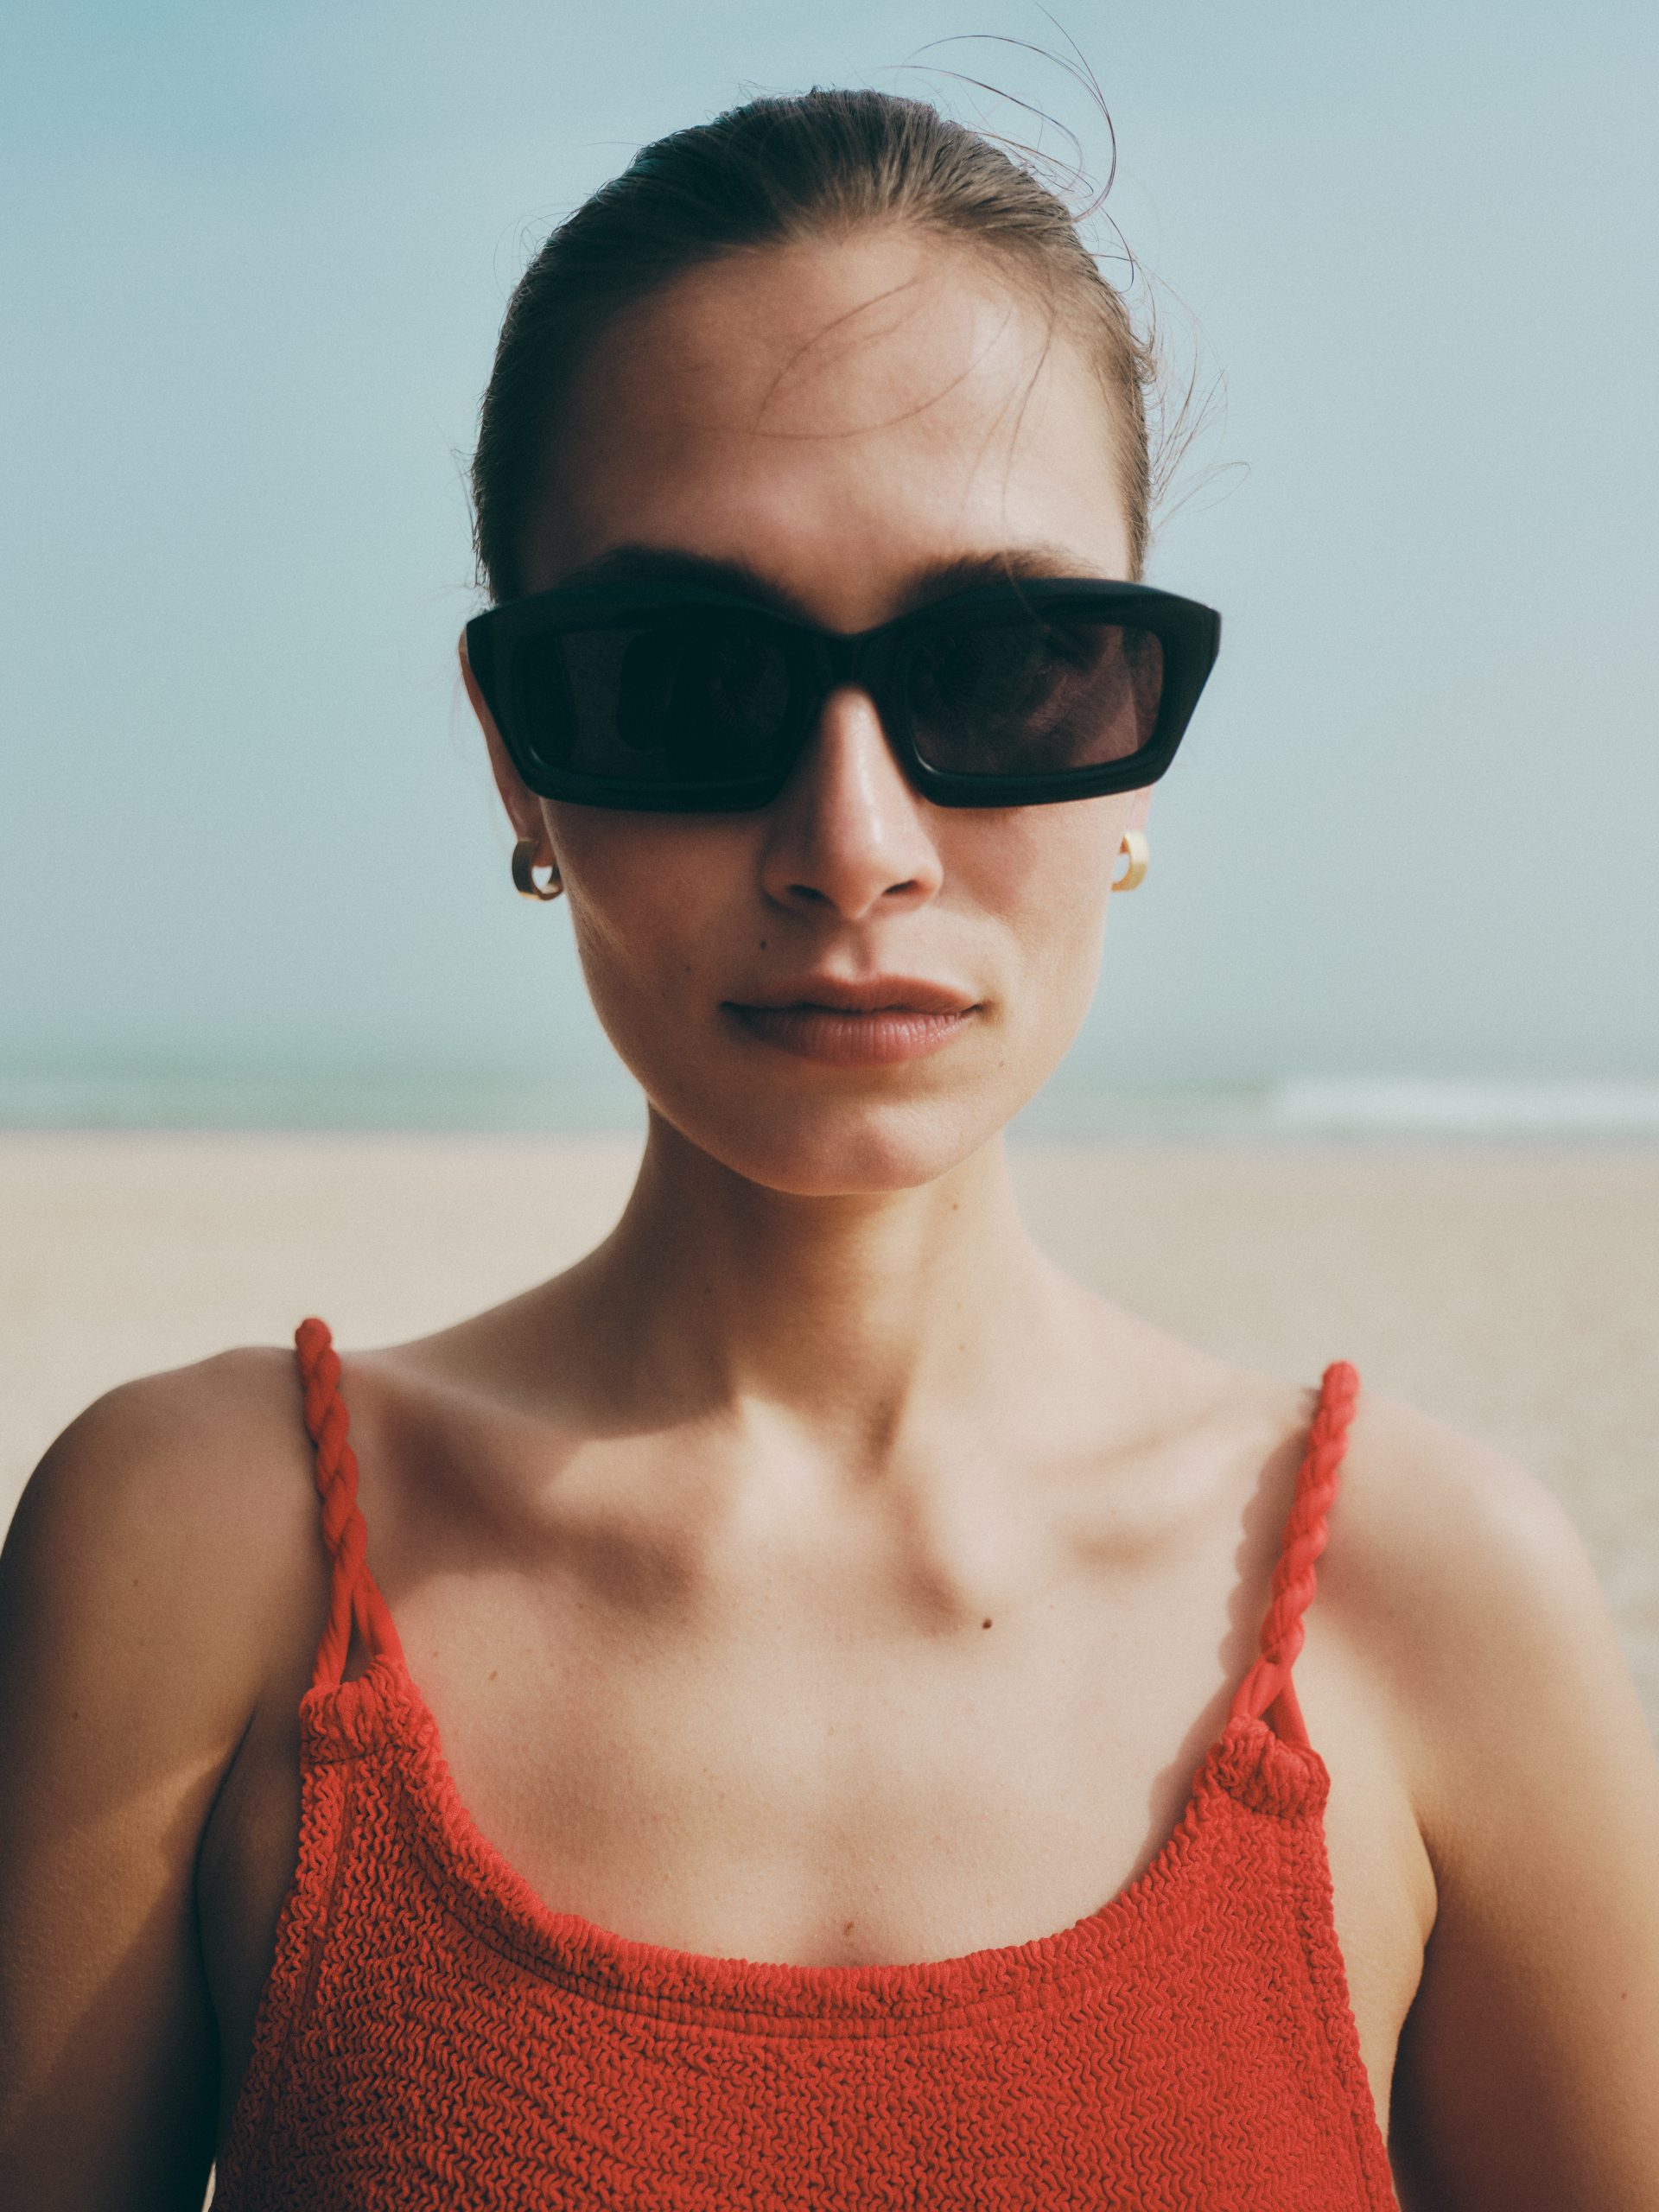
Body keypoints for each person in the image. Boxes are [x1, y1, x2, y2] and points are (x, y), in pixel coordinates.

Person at [2, 86, 1656, 2212]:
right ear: (516, 756)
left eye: (1011, 667)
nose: (853, 843)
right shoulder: (206, 1558)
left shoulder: (1436, 1606)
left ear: (1139, 744)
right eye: (688, 679)